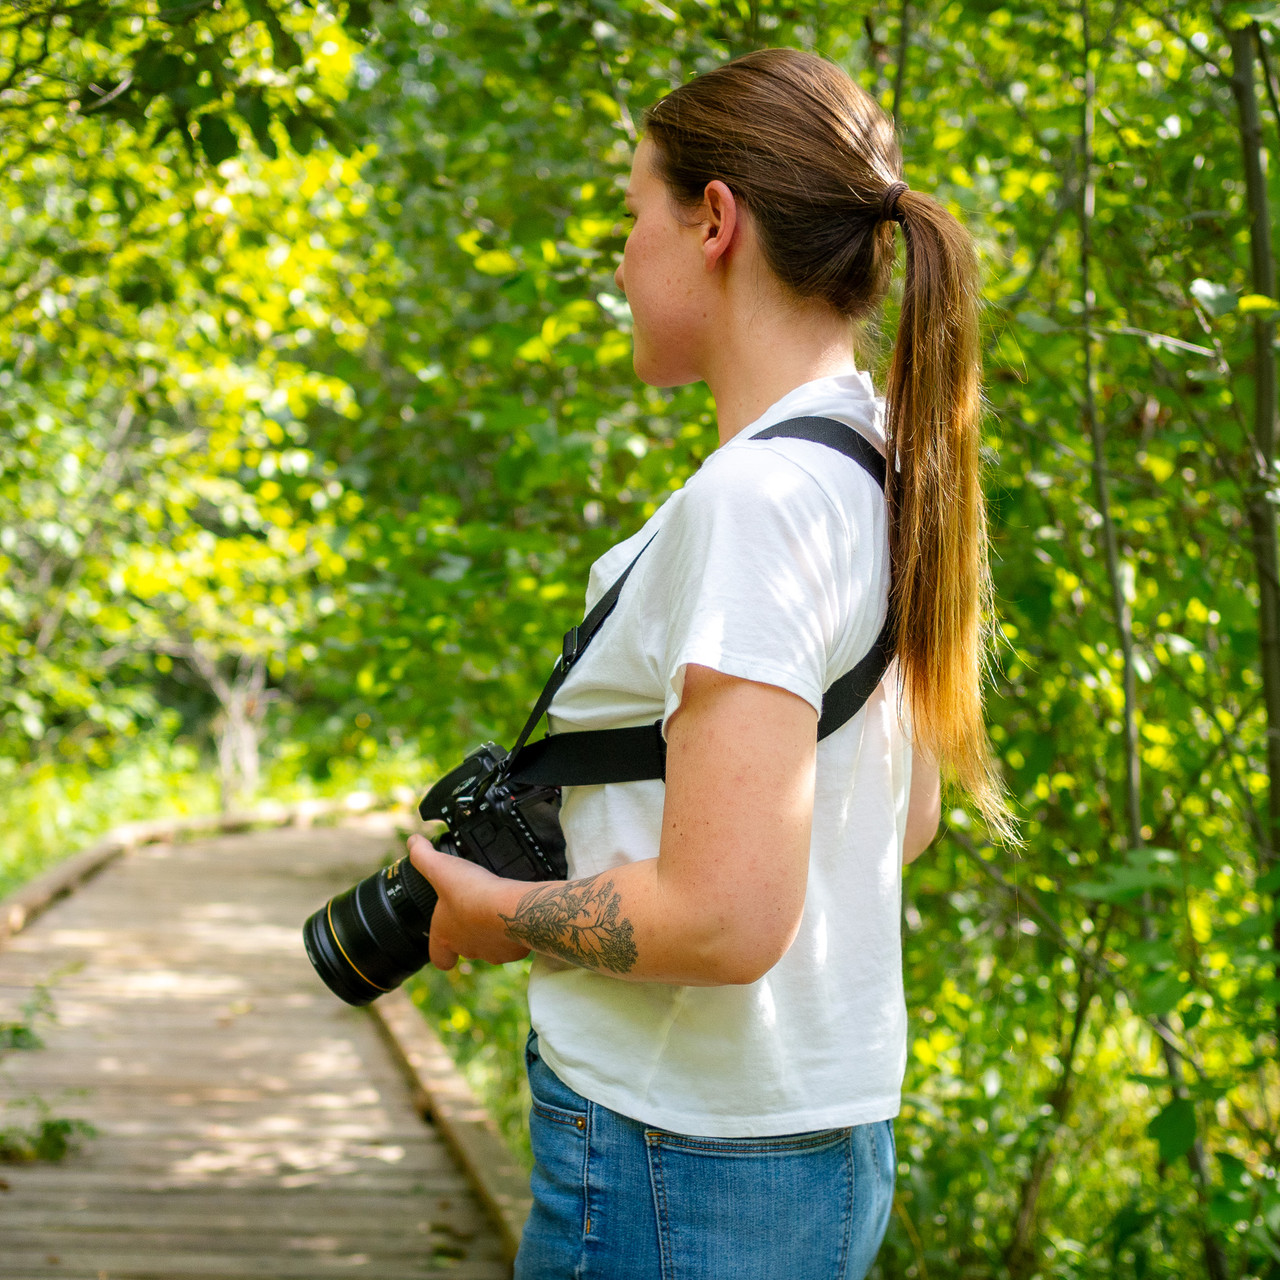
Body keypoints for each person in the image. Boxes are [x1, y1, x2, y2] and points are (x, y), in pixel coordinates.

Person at [407, 46, 1010, 1280]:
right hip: (808, 1134)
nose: (623, 260)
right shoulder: (880, 458)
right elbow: (900, 819)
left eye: (634, 217)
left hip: (673, 1155)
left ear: (715, 222)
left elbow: (729, 917)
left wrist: (503, 913)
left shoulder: (757, 502)